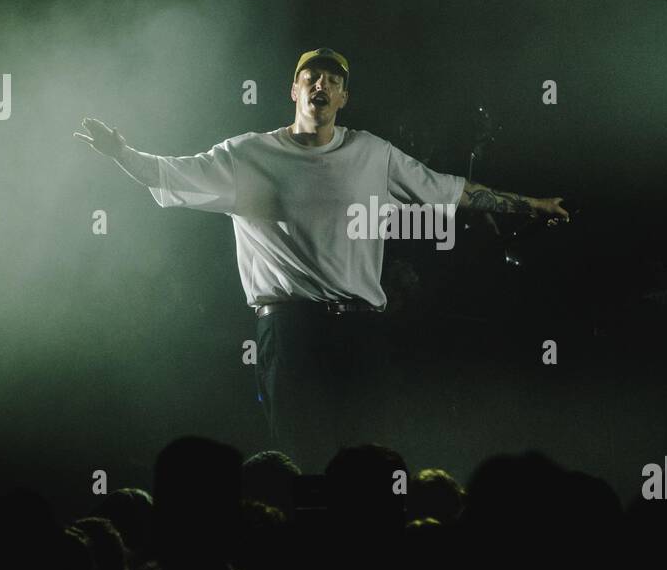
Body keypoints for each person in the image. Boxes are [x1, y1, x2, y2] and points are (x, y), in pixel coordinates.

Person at [75, 47, 568, 470]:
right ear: (294, 90)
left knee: (371, 457)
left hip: (361, 329)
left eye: (333, 81)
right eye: (312, 77)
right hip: (292, 331)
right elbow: (170, 174)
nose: (322, 85)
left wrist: (531, 205)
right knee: (303, 459)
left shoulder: (373, 153)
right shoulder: (248, 155)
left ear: (343, 97)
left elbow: (445, 190)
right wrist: (121, 152)